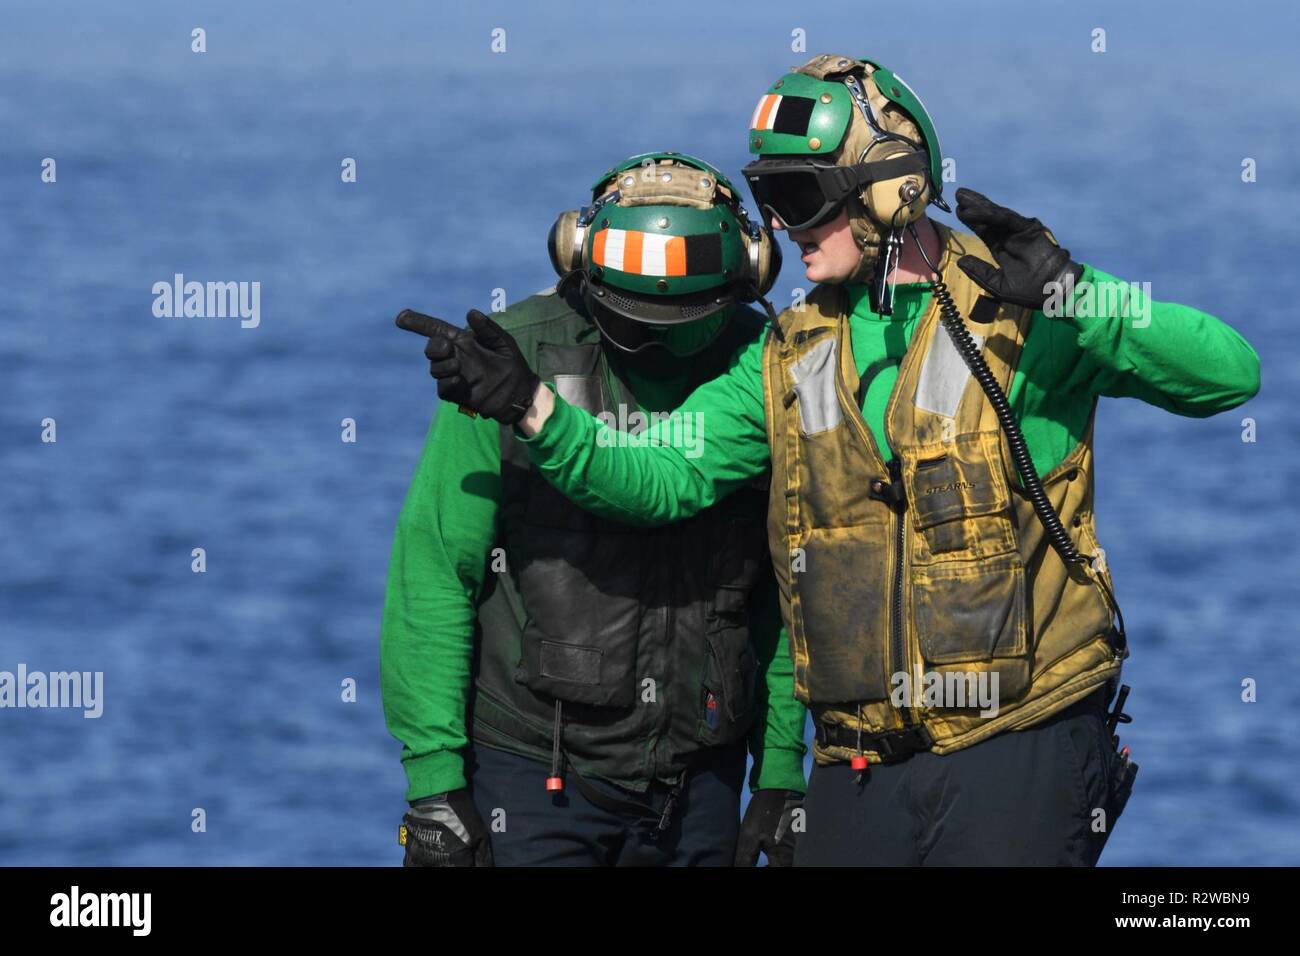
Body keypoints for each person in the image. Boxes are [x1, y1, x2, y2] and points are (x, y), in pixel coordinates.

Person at [404, 55, 1262, 866]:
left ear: (894, 187)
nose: (779, 227)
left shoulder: (1027, 307)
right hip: (857, 768)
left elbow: (1228, 373)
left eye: (799, 196)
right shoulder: (782, 354)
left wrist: (1081, 296)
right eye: (765, 196)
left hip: (1018, 747)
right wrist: (532, 406)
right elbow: (658, 474)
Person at [382, 152, 806, 867]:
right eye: (636, 324)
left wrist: (781, 775)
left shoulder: (765, 369)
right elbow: (434, 568)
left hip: (701, 782)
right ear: (582, 272)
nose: (663, 347)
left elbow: (789, 591)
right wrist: (435, 786)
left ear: (746, 281)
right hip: (534, 776)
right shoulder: (504, 363)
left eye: (686, 323)